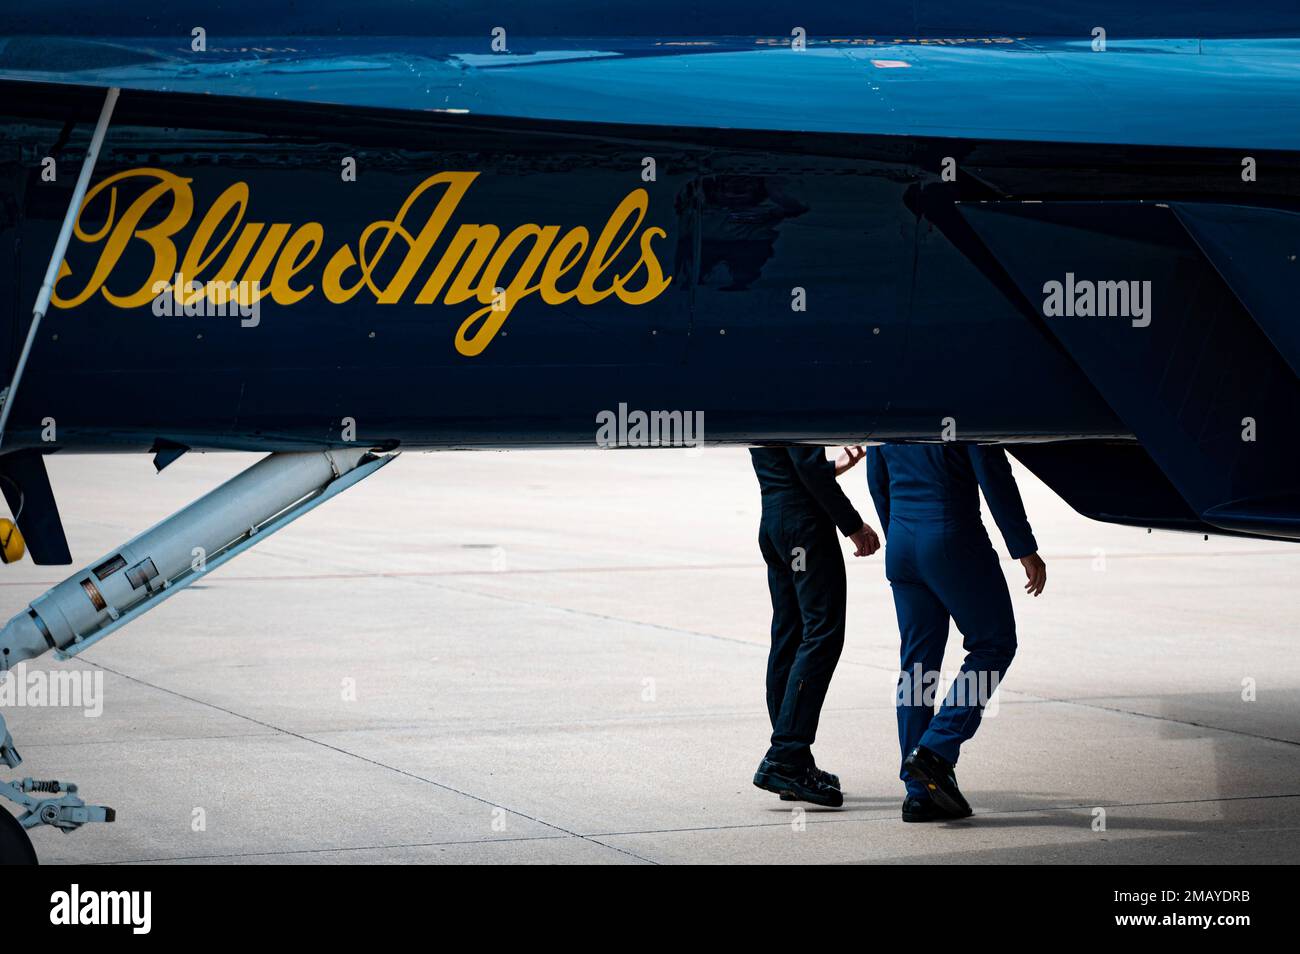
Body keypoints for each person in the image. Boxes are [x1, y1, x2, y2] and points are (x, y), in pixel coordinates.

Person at [865, 443, 1047, 822]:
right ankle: (936, 748)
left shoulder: (887, 403)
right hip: (952, 537)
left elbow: (876, 479)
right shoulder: (962, 399)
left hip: (902, 543)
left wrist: (897, 529)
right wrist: (1024, 547)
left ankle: (919, 794)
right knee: (994, 643)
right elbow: (993, 476)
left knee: (917, 666)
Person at [749, 444, 879, 807]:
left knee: (788, 641)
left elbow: (792, 463)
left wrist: (831, 467)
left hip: (774, 518)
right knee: (822, 634)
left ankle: (792, 760)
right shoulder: (792, 388)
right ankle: (787, 756)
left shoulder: (755, 391)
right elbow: (805, 466)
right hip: (803, 523)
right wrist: (853, 524)